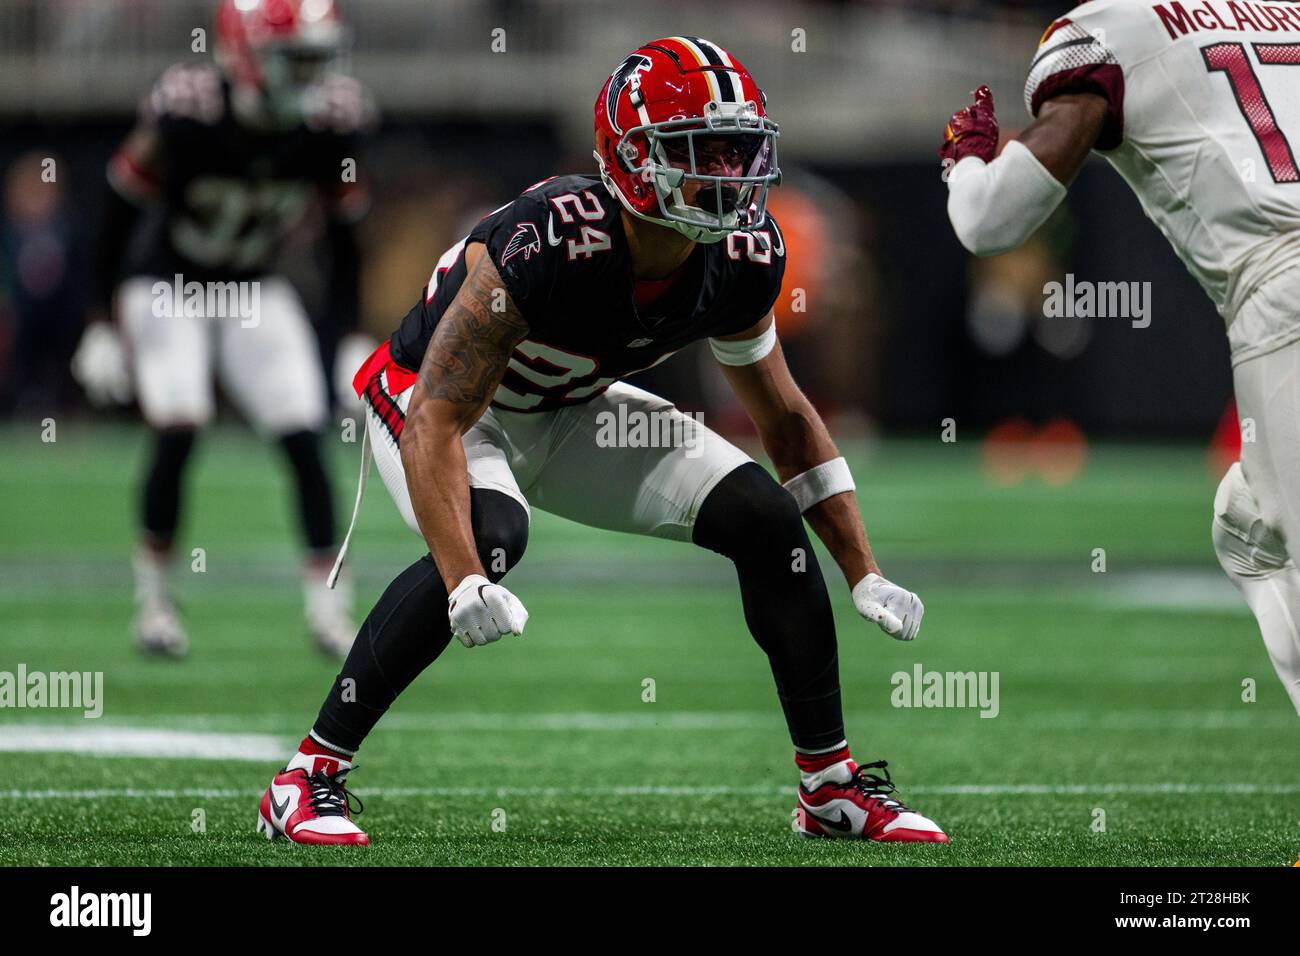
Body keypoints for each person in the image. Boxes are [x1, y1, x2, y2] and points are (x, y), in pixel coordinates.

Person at [258, 37, 946, 846]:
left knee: (763, 518)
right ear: (632, 160)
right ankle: (307, 776)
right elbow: (438, 416)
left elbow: (786, 420)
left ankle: (831, 791)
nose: (728, 175)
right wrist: (464, 581)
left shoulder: (741, 256)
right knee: (493, 537)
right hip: (431, 404)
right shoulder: (553, 237)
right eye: (700, 152)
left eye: (737, 150)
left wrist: (861, 569)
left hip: (567, 402)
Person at [941, 0, 1300, 714]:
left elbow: (987, 222)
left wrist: (964, 164)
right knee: (1250, 531)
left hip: (1282, 289)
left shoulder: (1109, 31)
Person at [73, 0, 373, 658]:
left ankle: (330, 608)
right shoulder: (188, 113)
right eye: (297, 58)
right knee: (180, 424)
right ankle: (154, 601)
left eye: (317, 58)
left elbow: (347, 239)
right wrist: (99, 321)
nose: (312, 74)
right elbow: (116, 213)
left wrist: (351, 332)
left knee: (302, 430)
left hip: (253, 286)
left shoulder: (328, 127)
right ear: (248, 54)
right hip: (167, 284)